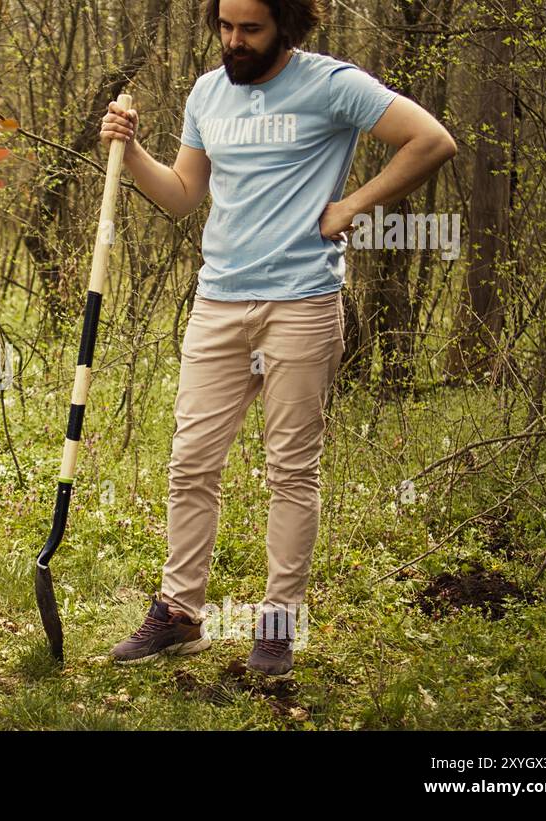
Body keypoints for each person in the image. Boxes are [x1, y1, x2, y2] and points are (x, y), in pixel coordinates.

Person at [100, 0, 456, 673]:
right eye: (225, 27)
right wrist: (131, 149)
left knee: (291, 468)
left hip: (302, 302)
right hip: (218, 301)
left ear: (286, 25)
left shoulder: (332, 85)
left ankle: (277, 624)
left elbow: (433, 139)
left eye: (250, 30)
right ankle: (179, 613)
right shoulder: (207, 92)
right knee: (192, 460)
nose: (234, 42)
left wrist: (352, 205)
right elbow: (181, 195)